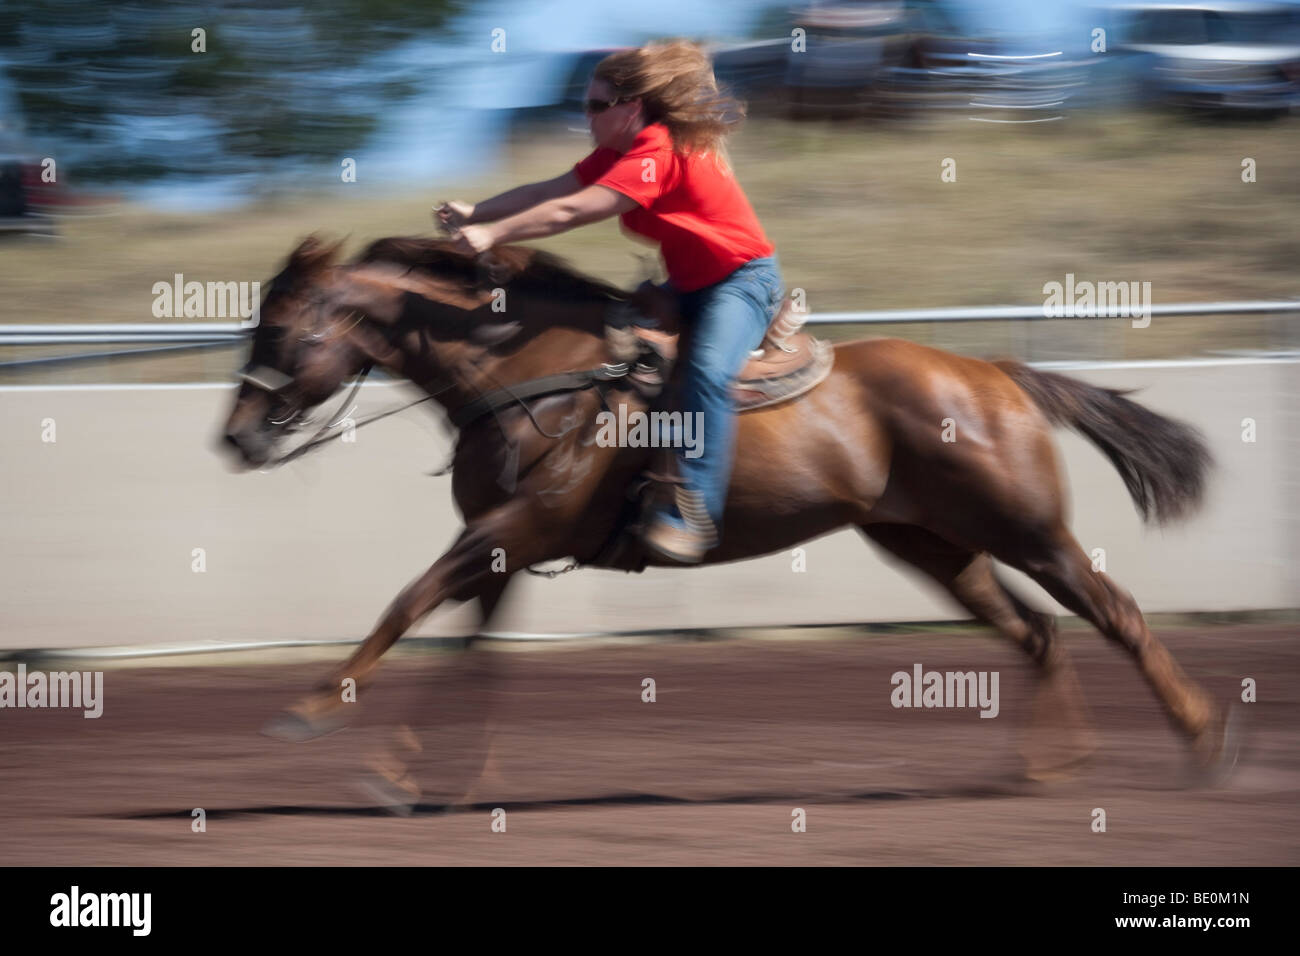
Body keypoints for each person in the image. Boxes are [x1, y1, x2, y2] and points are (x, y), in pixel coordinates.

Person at [436, 39, 783, 564]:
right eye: (585, 104)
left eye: (597, 106)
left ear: (633, 108)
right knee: (601, 354)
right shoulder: (621, 152)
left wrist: (492, 234)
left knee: (708, 372)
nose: (587, 116)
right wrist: (475, 211)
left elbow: (569, 212)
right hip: (687, 288)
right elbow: (551, 189)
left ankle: (692, 515)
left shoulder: (656, 152)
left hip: (742, 283)